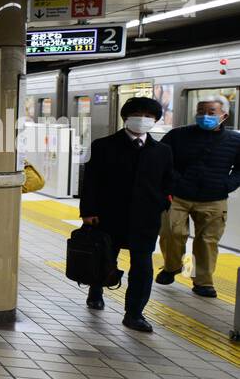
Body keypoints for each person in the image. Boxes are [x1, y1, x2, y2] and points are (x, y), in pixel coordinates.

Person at [79, 97, 173, 332]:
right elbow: (91, 181)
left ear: (155, 120)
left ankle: (134, 313)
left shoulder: (162, 151)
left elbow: (167, 182)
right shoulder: (104, 145)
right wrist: (88, 212)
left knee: (142, 266)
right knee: (104, 257)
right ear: (125, 117)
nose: (143, 120)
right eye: (137, 114)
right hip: (108, 215)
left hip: (146, 219)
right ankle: (96, 290)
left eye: (149, 116)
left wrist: (163, 203)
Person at [158, 94, 240, 297]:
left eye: (211, 112)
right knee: (171, 233)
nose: (205, 116)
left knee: (207, 241)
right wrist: (174, 181)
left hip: (214, 198)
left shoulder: (235, 141)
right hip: (178, 196)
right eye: (200, 111)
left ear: (224, 115)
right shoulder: (177, 135)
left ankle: (203, 281)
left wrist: (226, 185)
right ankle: (172, 266)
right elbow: (162, 160)